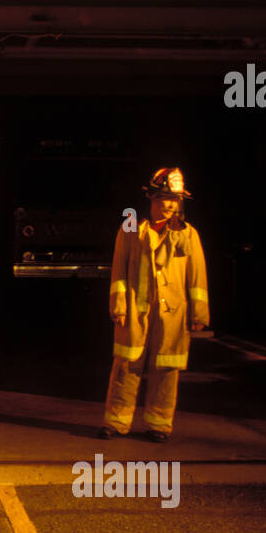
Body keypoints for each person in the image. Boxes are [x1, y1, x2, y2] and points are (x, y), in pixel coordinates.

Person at [101, 167, 209, 442]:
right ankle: (116, 422)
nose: (170, 205)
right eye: (163, 198)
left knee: (167, 367)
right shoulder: (131, 228)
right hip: (136, 311)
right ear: (151, 198)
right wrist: (119, 306)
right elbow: (119, 271)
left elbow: (197, 278)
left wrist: (198, 314)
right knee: (126, 364)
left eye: (174, 199)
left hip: (172, 313)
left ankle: (159, 425)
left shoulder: (188, 235)